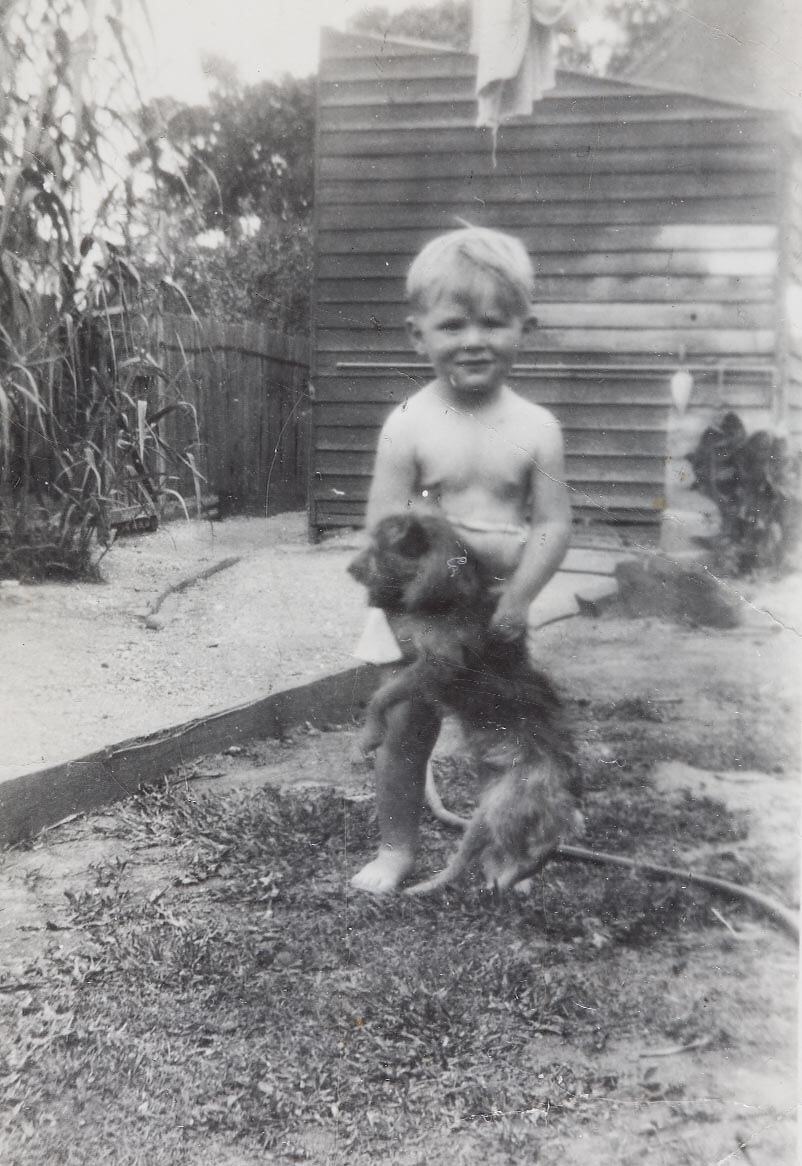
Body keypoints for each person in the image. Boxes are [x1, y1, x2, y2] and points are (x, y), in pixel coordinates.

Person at [350, 225, 572, 894]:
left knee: (495, 734)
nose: (474, 339)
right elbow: (382, 529)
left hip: (498, 607)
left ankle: (503, 851)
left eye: (494, 323)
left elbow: (553, 524)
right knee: (405, 726)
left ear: (524, 328)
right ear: (418, 335)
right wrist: (412, 602)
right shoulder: (409, 423)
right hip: (423, 611)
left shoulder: (536, 429)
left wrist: (521, 597)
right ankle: (396, 847)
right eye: (452, 325)